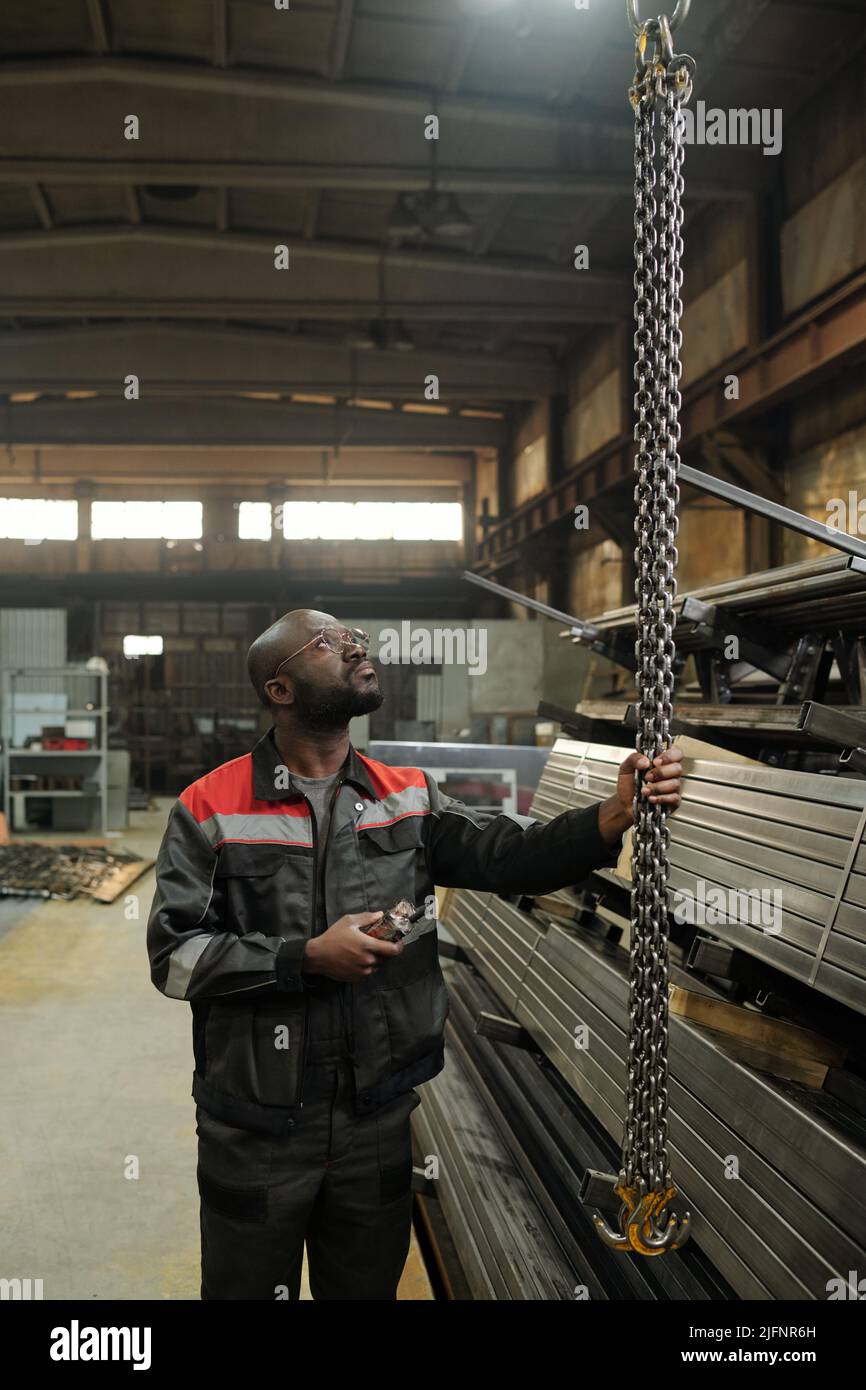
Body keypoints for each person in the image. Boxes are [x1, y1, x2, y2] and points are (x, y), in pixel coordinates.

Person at [146, 609, 684, 1300]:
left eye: (358, 641)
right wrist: (304, 956)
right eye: (331, 645)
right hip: (257, 1123)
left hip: (377, 1114)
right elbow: (176, 956)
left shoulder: (408, 796)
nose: (356, 650)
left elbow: (511, 858)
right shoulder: (208, 807)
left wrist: (613, 816)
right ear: (279, 690)